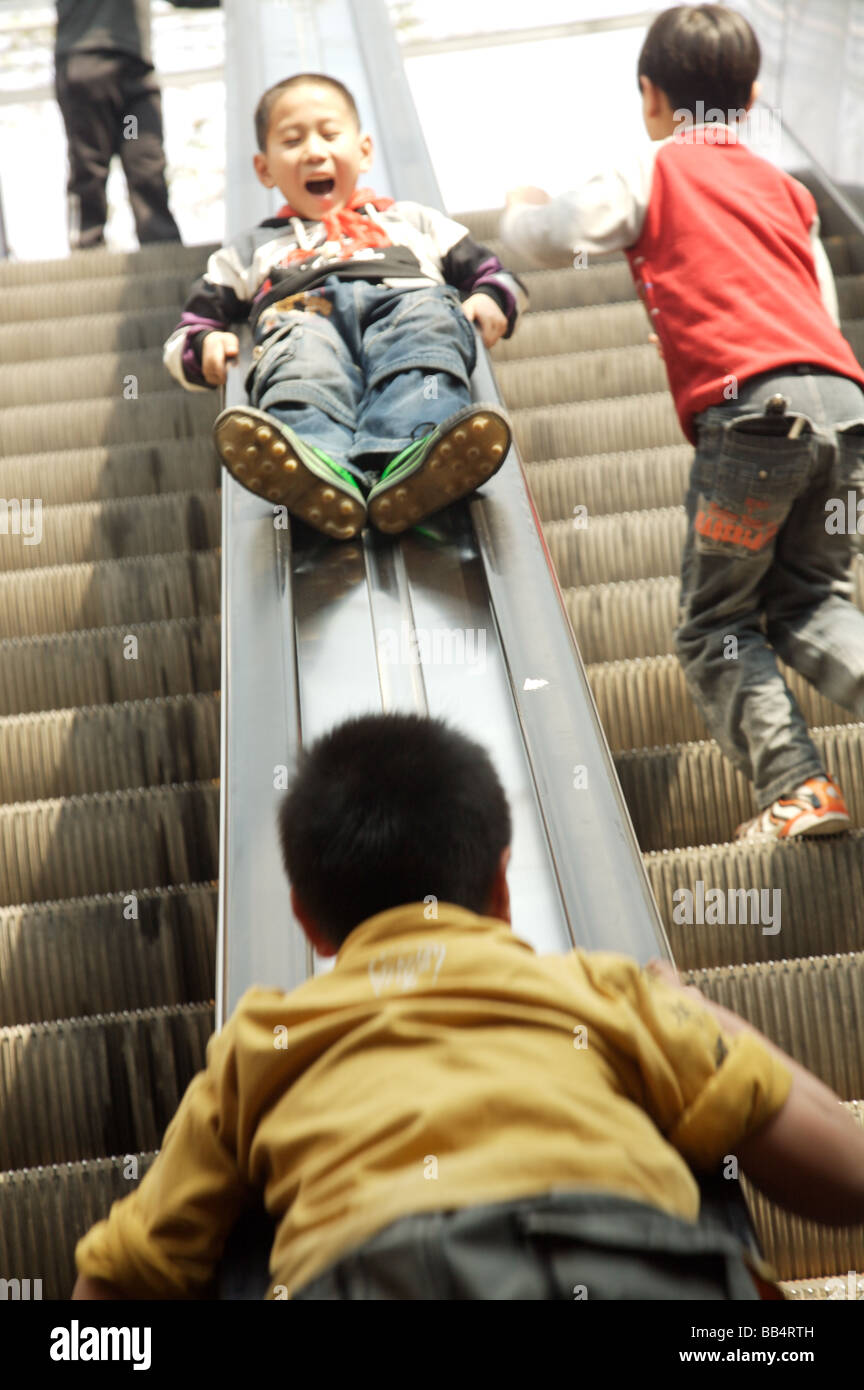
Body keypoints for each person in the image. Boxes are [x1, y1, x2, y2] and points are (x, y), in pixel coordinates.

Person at [72, 713, 864, 1301]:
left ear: (307, 923)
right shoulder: (606, 993)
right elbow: (845, 1177)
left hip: (371, 1278)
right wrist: (698, 1012)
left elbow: (123, 1277)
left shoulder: (262, 1041)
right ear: (502, 889)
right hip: (627, 1267)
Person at [502, 3, 864, 842]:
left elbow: (562, 235)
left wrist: (522, 210)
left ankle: (799, 788)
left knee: (716, 623)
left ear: (650, 96)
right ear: (751, 99)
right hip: (844, 409)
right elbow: (823, 307)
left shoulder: (653, 166)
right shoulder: (789, 190)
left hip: (753, 425)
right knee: (812, 601)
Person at [163, 73, 526, 540]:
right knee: (301, 359)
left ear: (365, 150)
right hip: (304, 313)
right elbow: (188, 331)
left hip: (406, 301)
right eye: (292, 140)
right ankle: (320, 467)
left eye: (330, 135)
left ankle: (415, 454)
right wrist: (206, 344)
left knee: (426, 330)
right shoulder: (250, 249)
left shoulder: (411, 221)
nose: (314, 150)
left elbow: (496, 275)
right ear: (264, 169)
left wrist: (488, 299)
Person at [53, 0, 208, 249]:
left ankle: (161, 244)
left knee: (141, 157)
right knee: (89, 164)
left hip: (132, 79)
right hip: (85, 66)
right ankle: (87, 245)